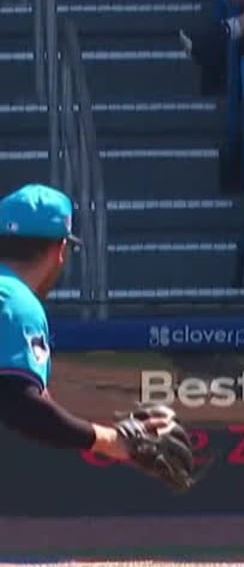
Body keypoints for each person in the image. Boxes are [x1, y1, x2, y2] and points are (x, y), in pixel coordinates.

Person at [0, 185, 188, 473]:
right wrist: (113, 440)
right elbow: (19, 403)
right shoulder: (15, 303)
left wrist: (103, 431)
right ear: (59, 249)